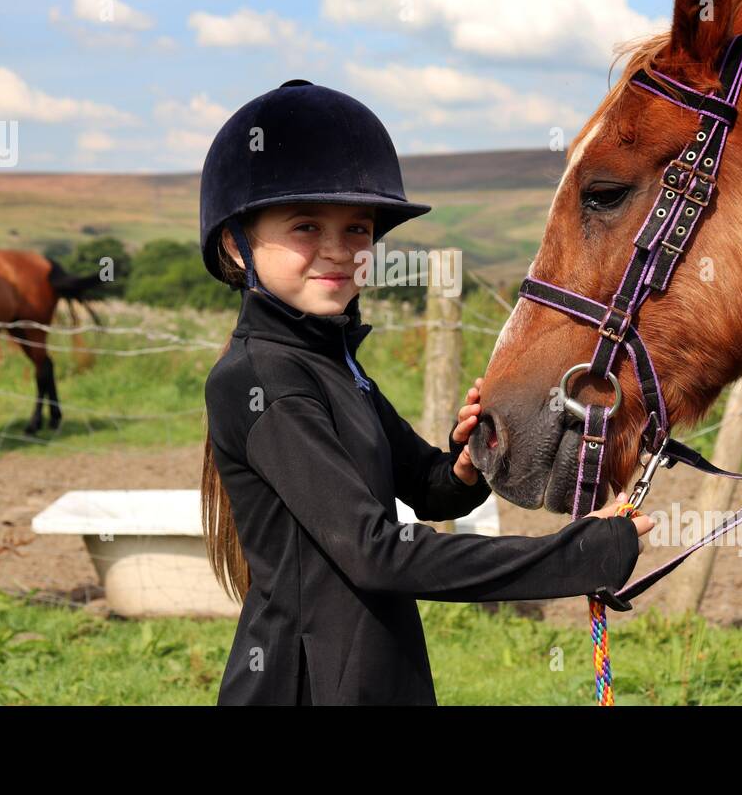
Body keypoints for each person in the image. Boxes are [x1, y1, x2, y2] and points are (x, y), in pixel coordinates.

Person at [199, 78, 653, 705]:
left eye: (358, 229)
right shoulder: (263, 380)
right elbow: (376, 554)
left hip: (376, 673)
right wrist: (577, 556)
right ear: (235, 241)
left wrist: (465, 465)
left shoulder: (332, 362)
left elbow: (427, 489)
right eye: (306, 226)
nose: (338, 251)